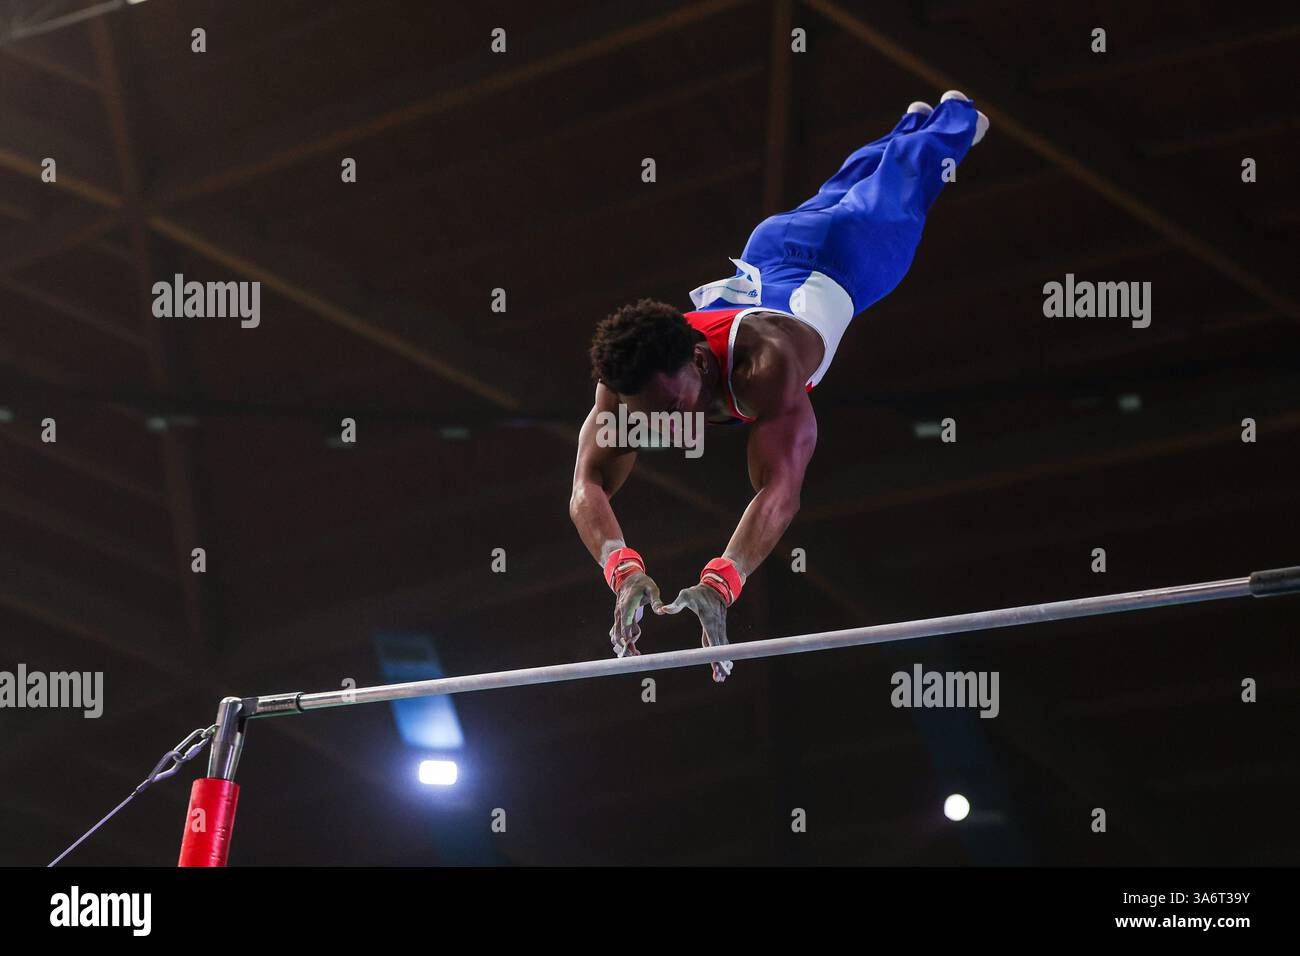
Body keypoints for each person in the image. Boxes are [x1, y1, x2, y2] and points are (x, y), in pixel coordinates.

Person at [570, 93, 989, 682]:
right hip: (768, 250)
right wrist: (622, 570)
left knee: (905, 178)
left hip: (848, 259)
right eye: (648, 416)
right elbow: (586, 484)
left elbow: (782, 489)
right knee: (848, 180)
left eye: (671, 407)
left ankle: (953, 119)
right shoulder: (626, 381)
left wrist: (722, 582)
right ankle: (910, 119)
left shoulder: (768, 365)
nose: (666, 425)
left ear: (697, 356)